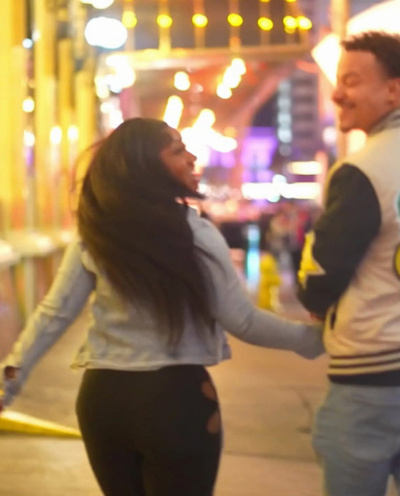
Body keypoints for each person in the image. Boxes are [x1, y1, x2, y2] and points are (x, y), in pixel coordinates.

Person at [0, 118, 323, 496]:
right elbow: (243, 321)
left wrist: (8, 385)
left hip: (102, 401)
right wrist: (317, 339)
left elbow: (53, 314)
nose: (192, 157)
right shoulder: (196, 234)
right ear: (147, 166)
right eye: (178, 150)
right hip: (175, 401)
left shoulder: (96, 234)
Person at [297, 31, 400, 496]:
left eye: (351, 81)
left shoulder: (365, 168)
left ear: (393, 90)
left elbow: (320, 276)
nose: (337, 94)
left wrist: (315, 301)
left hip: (371, 378)